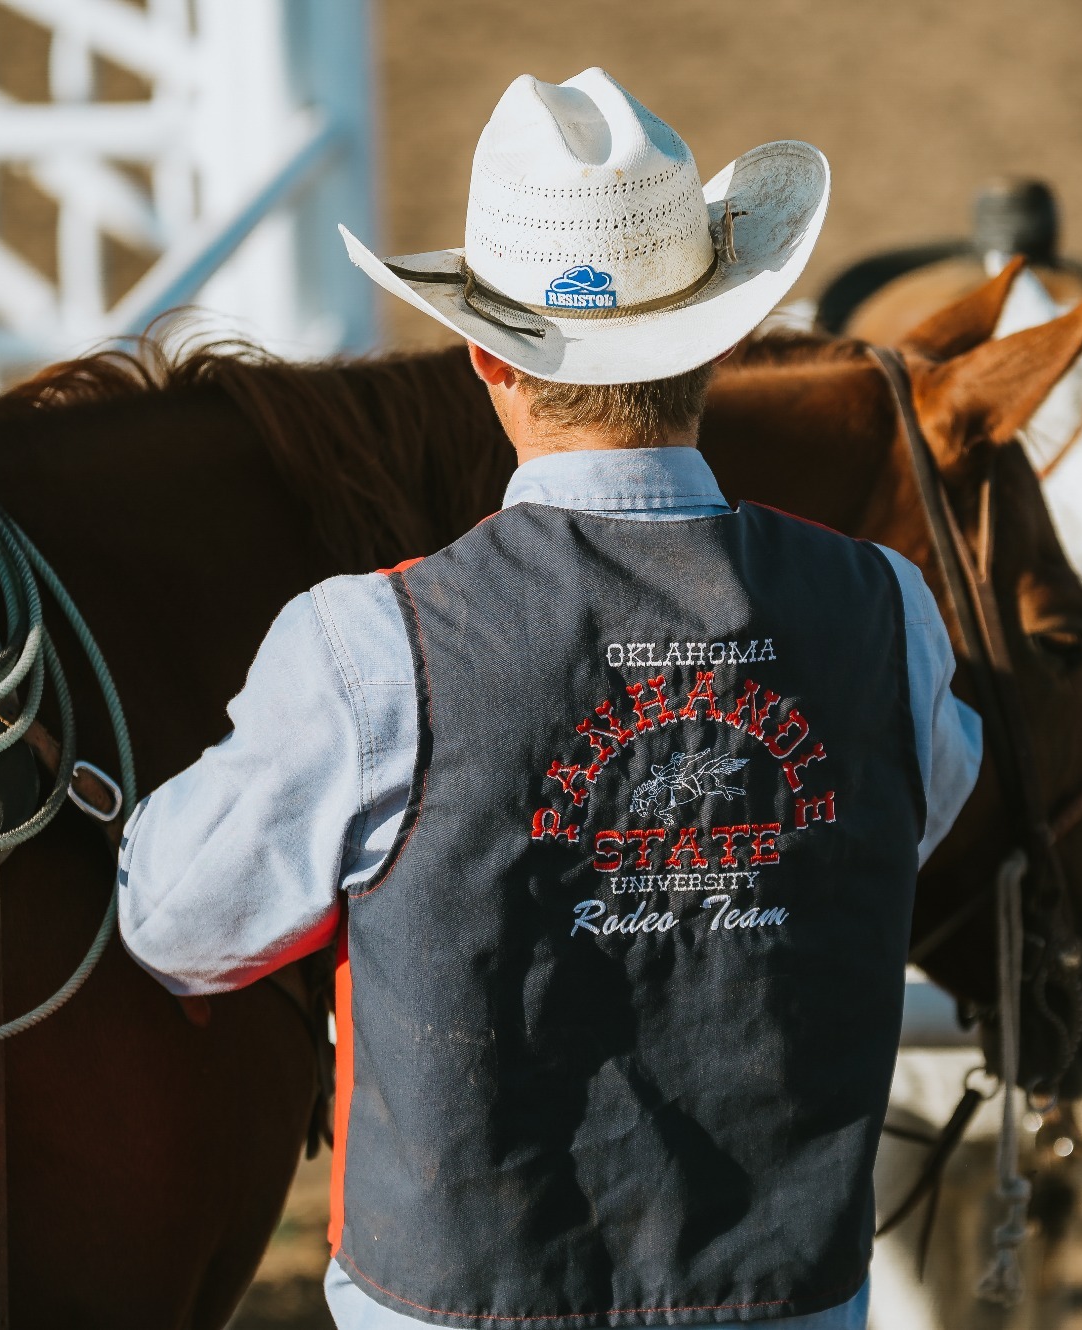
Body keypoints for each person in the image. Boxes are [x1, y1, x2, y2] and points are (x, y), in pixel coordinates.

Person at [117, 67, 983, 1330]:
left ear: (484, 355)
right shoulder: (884, 612)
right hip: (783, 1288)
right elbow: (912, 820)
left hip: (459, 1294)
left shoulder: (371, 644)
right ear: (721, 340)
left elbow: (178, 924)